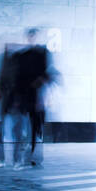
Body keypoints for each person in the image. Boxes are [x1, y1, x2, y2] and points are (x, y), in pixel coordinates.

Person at [14, 28, 58, 166]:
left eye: (33, 36)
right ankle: (29, 154)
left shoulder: (41, 54)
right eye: (30, 36)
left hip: (36, 95)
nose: (31, 38)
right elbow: (19, 77)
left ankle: (32, 154)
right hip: (27, 94)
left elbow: (46, 74)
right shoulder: (24, 55)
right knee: (27, 126)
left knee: (34, 127)